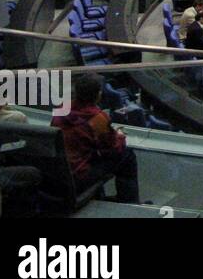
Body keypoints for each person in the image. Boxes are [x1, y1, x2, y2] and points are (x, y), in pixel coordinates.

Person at [51, 73, 139, 204]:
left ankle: (101, 197)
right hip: (80, 174)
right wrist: (120, 135)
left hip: (59, 173)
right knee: (127, 155)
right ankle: (130, 202)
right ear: (98, 94)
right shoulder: (97, 118)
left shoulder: (61, 109)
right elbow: (113, 148)